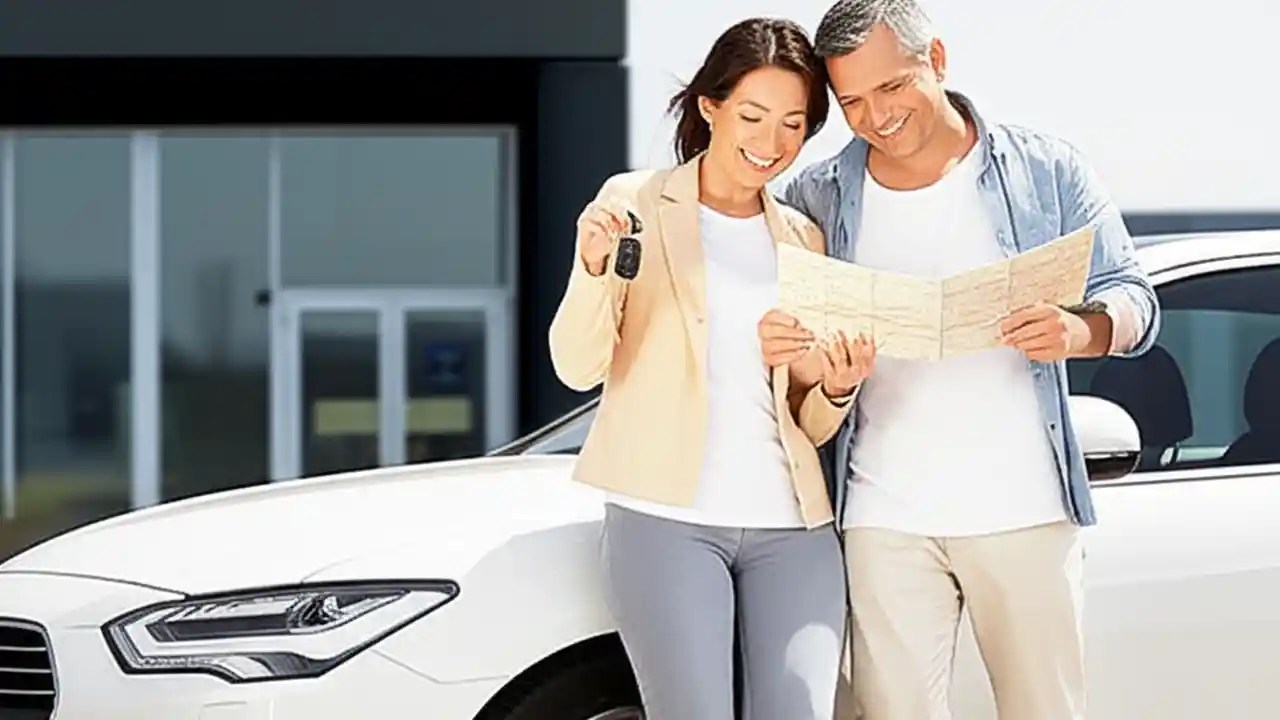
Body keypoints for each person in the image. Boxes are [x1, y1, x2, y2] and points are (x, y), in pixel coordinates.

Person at [765, 2, 1162, 719]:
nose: (876, 117)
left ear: (937, 60)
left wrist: (1082, 332)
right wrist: (816, 361)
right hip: (882, 512)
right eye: (851, 101)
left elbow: (1134, 297)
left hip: (1024, 511)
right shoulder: (814, 196)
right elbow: (780, 339)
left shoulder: (1046, 171)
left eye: (892, 88)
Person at [548, 17, 877, 720]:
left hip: (794, 528)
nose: (771, 142)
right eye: (753, 115)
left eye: (794, 124)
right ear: (709, 107)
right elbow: (577, 367)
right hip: (669, 522)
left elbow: (808, 418)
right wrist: (592, 267)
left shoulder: (801, 236)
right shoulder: (633, 204)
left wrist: (835, 381)